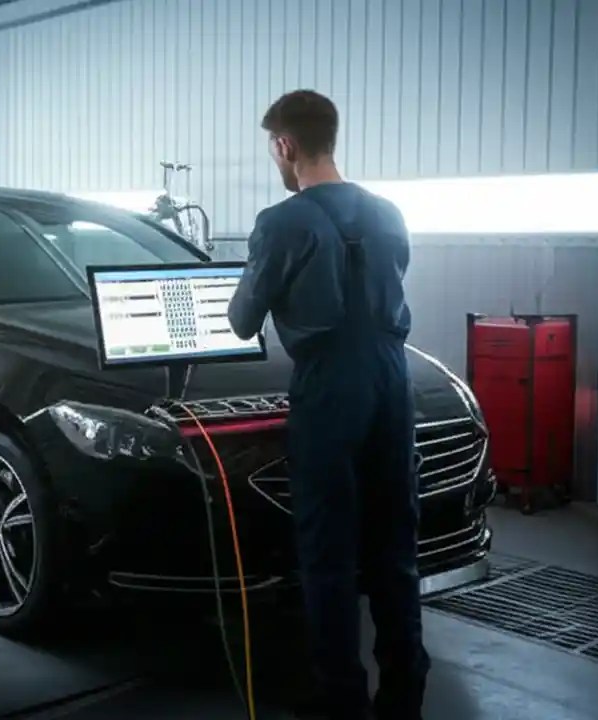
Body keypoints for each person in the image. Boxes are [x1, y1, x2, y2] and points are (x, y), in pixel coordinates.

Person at [227, 90, 429, 719]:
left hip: (328, 387)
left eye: (273, 150)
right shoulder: (389, 213)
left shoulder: (281, 222)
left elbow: (240, 321)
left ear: (285, 146)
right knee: (395, 544)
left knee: (328, 549)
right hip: (392, 379)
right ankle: (404, 695)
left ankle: (341, 699)